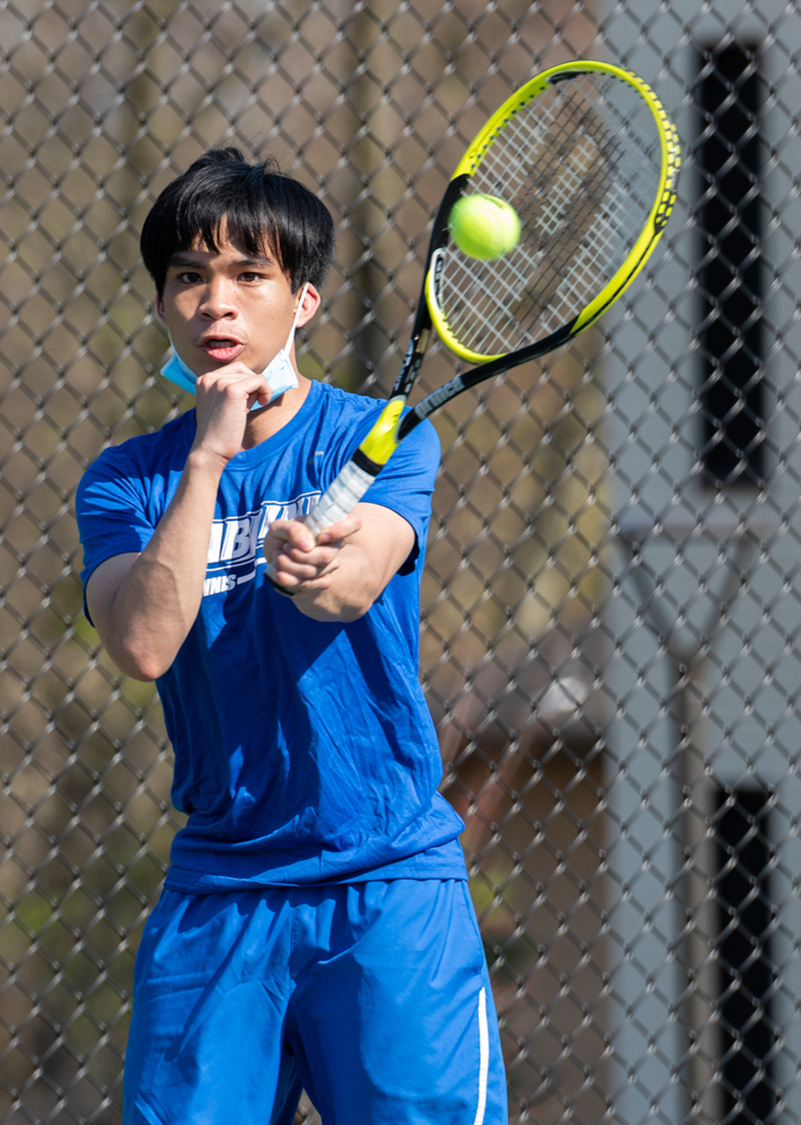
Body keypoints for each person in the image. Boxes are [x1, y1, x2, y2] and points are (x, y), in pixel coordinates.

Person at [75, 148, 508, 1124]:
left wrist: (320, 568)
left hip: (387, 886)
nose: (214, 304)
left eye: (248, 276)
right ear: (160, 307)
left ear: (302, 303)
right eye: (188, 278)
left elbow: (353, 583)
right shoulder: (123, 482)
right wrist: (208, 460)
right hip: (220, 896)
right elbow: (144, 642)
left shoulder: (387, 437)